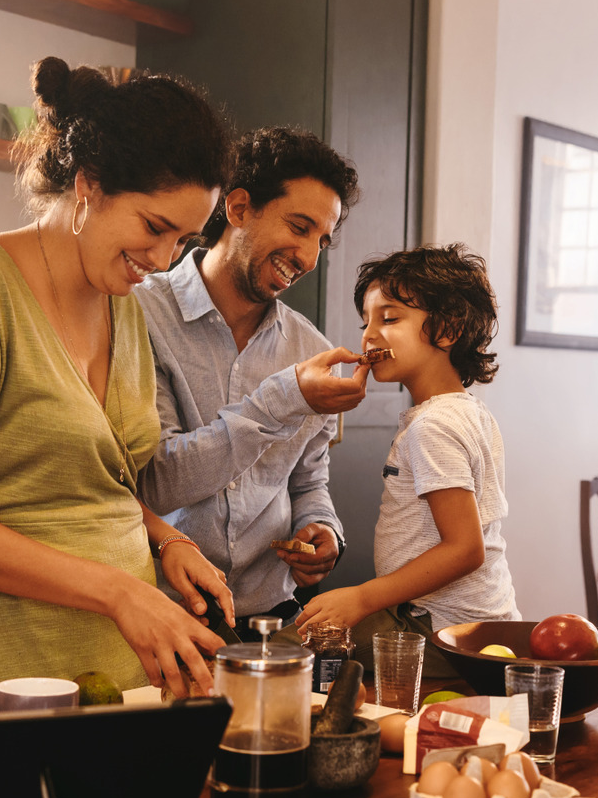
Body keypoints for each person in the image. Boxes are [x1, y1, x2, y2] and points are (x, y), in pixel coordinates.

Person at [0, 57, 235, 717]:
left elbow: (83, 482)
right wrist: (119, 592)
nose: (164, 260)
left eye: (184, 240)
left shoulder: (124, 306)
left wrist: (165, 538)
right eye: (154, 227)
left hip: (109, 675)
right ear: (88, 184)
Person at [135, 128, 364, 635]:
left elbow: (308, 481)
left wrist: (323, 529)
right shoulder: (139, 315)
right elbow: (156, 482)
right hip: (163, 619)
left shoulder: (310, 349)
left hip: (272, 622)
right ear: (238, 208)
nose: (309, 257)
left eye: (322, 241)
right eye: (299, 227)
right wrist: (284, 398)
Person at [292, 244, 518, 675]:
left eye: (390, 318)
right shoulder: (467, 411)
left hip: (436, 628)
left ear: (447, 330)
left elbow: (465, 549)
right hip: (469, 624)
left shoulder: (432, 427)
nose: (368, 336)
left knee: (287, 655)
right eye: (366, 322)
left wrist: (361, 598)